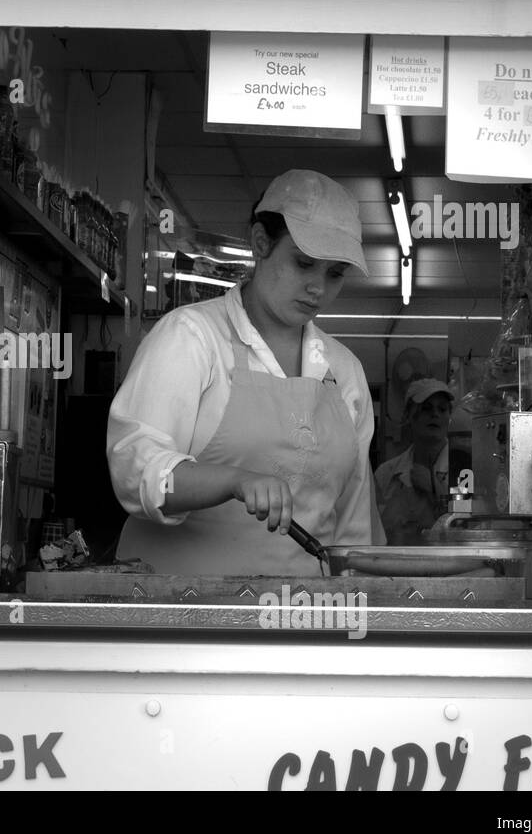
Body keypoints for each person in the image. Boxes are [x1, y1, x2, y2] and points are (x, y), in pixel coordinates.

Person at [106, 170, 384, 577]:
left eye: (335, 274)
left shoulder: (345, 372)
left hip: (299, 620)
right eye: (304, 263)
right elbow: (136, 468)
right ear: (260, 243)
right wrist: (232, 480)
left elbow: (354, 526)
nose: (318, 288)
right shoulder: (193, 337)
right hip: (180, 619)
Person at [375, 378, 467, 545]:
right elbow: (374, 529)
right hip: (399, 564)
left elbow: (466, 526)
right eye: (426, 408)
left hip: (451, 565)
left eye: (442, 409)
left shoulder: (463, 471)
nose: (435, 414)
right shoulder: (386, 474)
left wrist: (435, 491)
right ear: (409, 415)